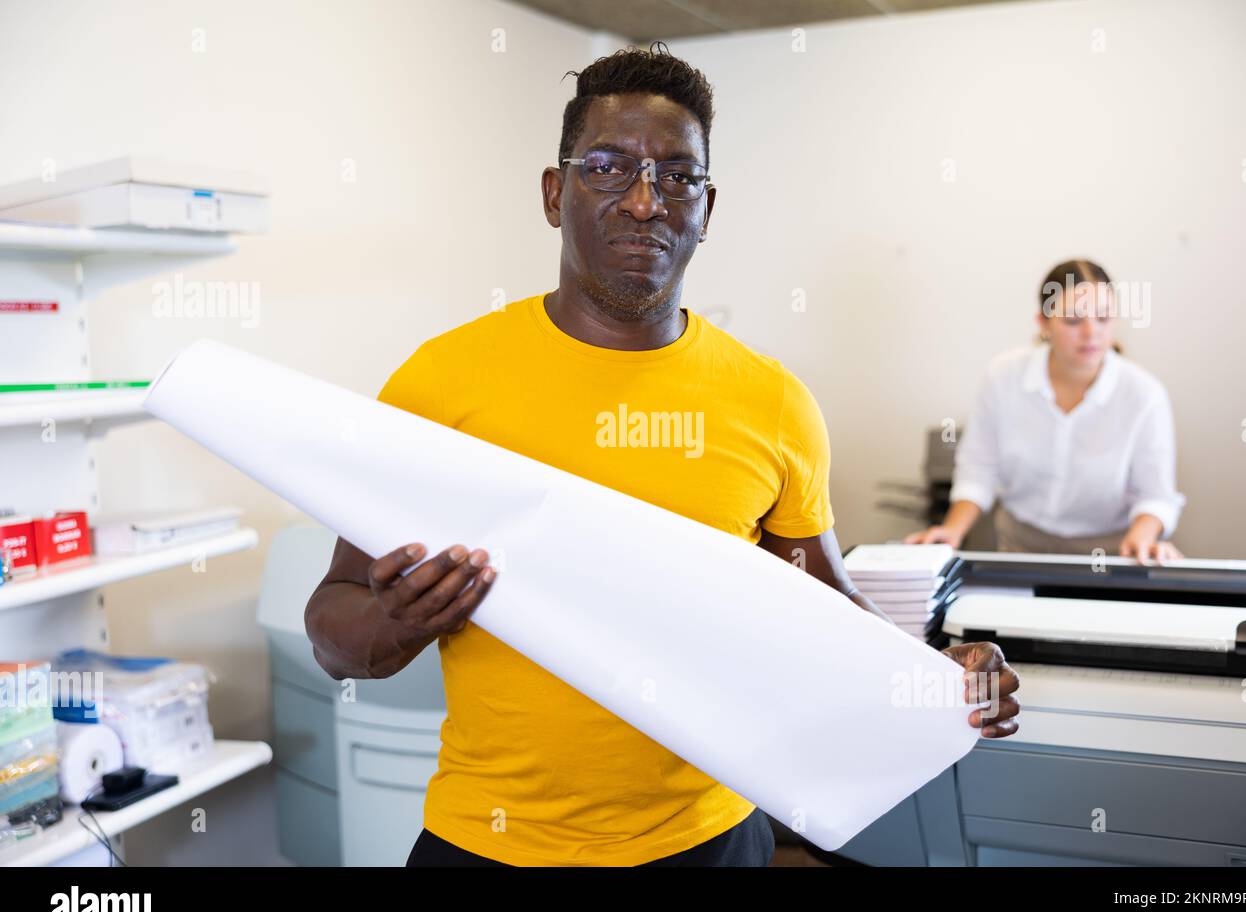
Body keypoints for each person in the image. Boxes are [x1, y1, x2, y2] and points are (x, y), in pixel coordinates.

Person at [304, 42, 1020, 868]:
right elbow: (333, 633)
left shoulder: (773, 402)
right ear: (553, 192)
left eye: (677, 176)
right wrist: (397, 621)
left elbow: (825, 621)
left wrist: (938, 676)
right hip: (490, 842)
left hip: (710, 840)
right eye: (607, 167)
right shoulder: (438, 386)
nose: (645, 201)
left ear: (707, 208)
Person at [907, 259, 1185, 563]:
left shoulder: (1144, 394)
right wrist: (952, 530)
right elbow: (978, 468)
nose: (1092, 332)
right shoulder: (1003, 377)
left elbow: (1156, 496)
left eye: (1104, 317)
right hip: (1022, 548)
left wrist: (1142, 537)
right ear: (1043, 323)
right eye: (1073, 320)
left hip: (1111, 554)